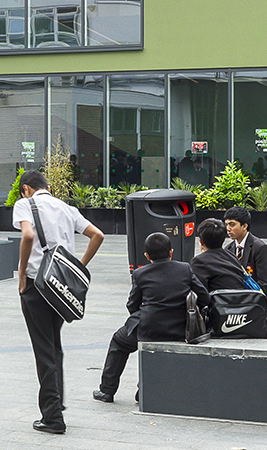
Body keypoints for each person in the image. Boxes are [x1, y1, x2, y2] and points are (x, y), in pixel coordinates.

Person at [14, 170, 104, 435]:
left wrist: (20, 274)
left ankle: (52, 415)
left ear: (26, 189)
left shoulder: (24, 204)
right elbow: (97, 235)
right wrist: (77, 267)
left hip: (36, 285)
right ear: (48, 187)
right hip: (60, 285)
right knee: (54, 344)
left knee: (43, 348)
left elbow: (28, 236)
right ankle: (57, 401)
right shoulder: (66, 208)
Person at [92, 232, 211, 403]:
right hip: (180, 329)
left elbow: (132, 304)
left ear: (147, 256)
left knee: (119, 342)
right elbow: (204, 297)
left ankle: (107, 390)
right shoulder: (184, 269)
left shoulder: (140, 274)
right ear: (171, 252)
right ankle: (143, 391)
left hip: (149, 328)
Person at [223, 208, 267, 314]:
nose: (228, 229)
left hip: (259, 299)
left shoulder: (260, 248)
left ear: (244, 226)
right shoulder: (228, 249)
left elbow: (266, 283)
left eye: (232, 224)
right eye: (226, 224)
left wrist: (243, 295)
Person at [190, 217, 251, 293]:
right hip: (241, 302)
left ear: (201, 241)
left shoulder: (198, 261)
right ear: (223, 240)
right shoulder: (233, 257)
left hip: (218, 304)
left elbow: (199, 293)